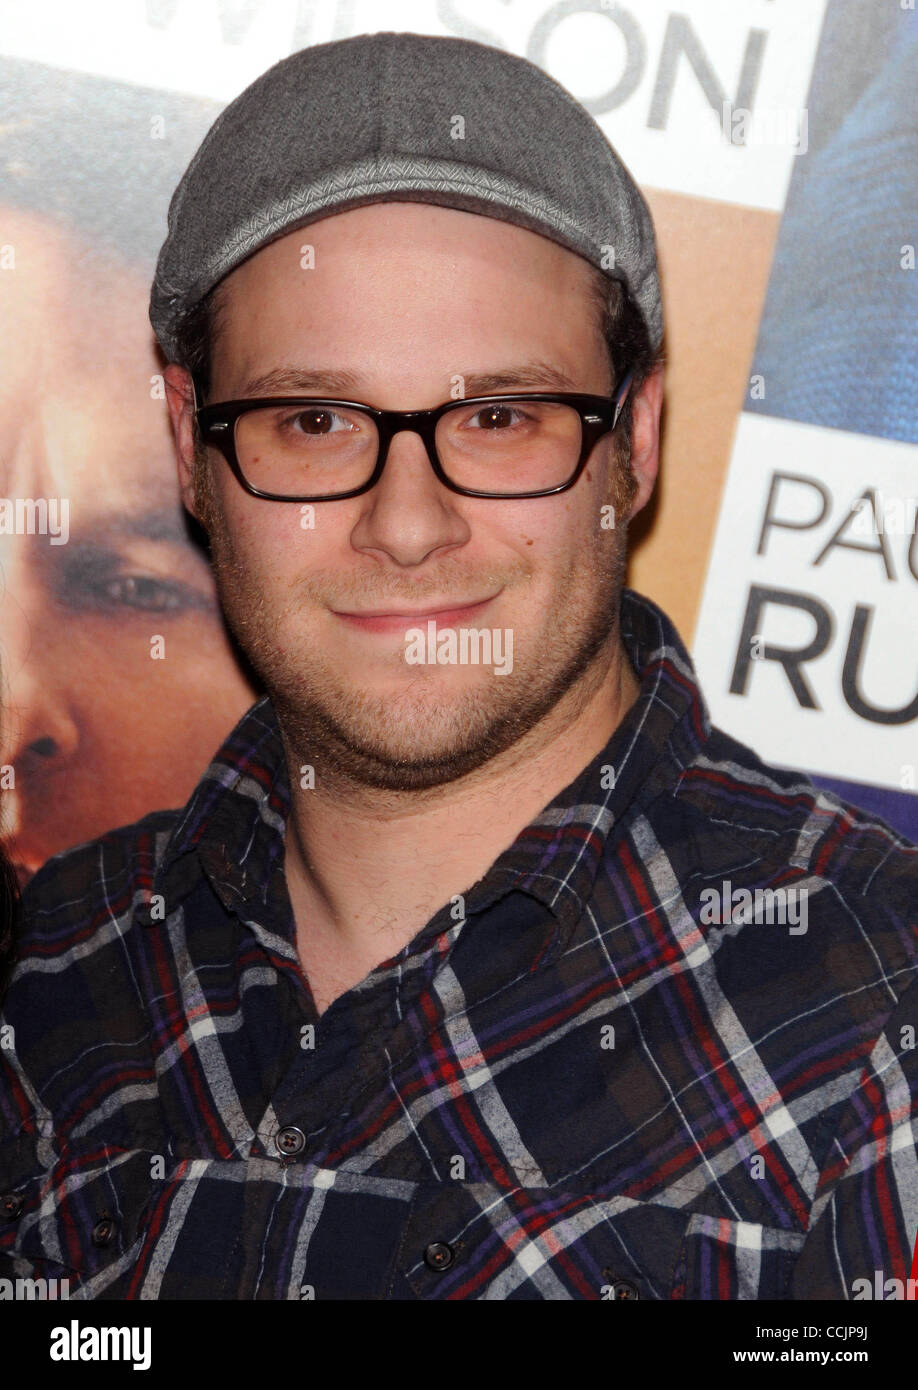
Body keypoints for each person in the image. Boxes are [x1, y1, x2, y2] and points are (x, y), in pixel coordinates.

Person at [0, 32, 915, 1302]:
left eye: (498, 418)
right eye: (313, 421)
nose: (410, 523)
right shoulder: (60, 951)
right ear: (190, 446)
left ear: (635, 438)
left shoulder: (877, 993)